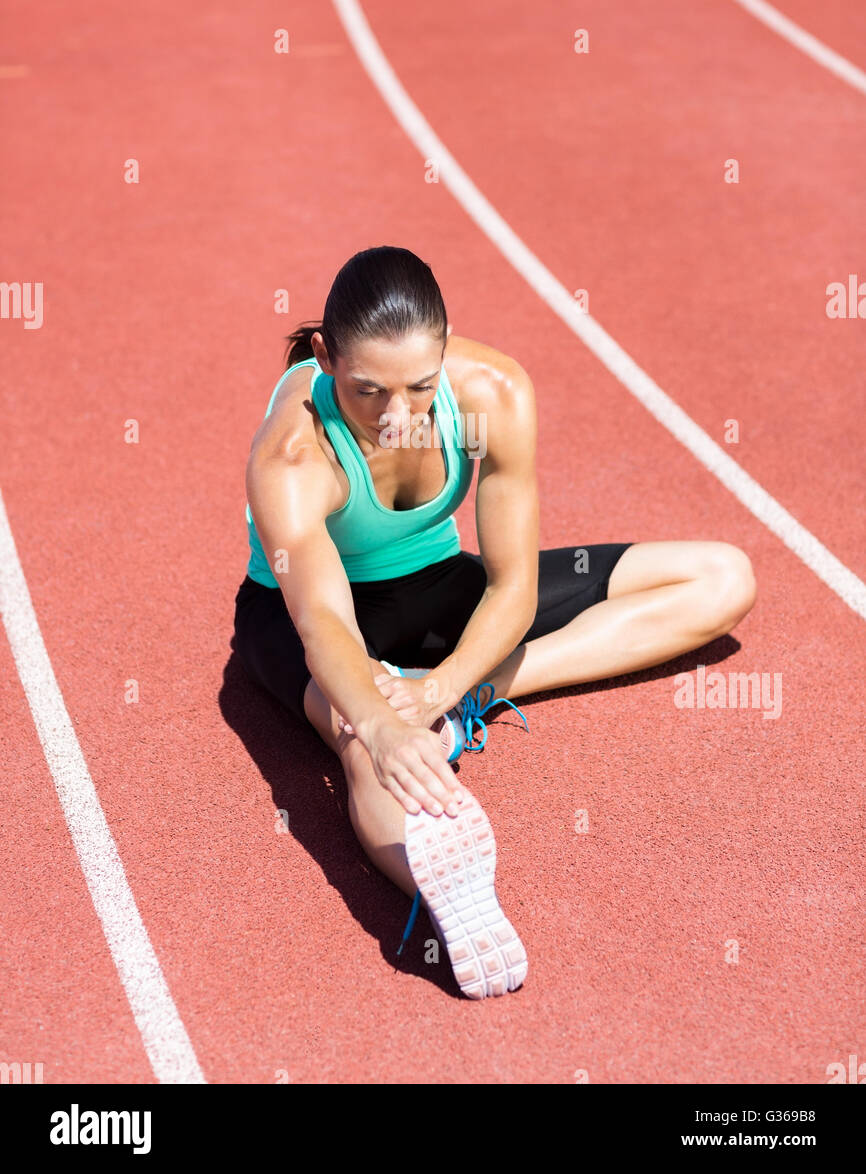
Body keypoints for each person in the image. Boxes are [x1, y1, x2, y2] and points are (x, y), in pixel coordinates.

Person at [235, 245, 757, 999]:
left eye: (420, 387)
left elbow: (511, 586)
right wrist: (381, 725)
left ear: (446, 353)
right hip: (301, 620)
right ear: (325, 357)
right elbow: (323, 624)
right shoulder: (292, 456)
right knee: (366, 741)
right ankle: (446, 892)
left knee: (720, 577)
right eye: (367, 391)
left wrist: (443, 686)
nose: (398, 418)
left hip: (440, 591)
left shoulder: (494, 393)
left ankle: (474, 698)